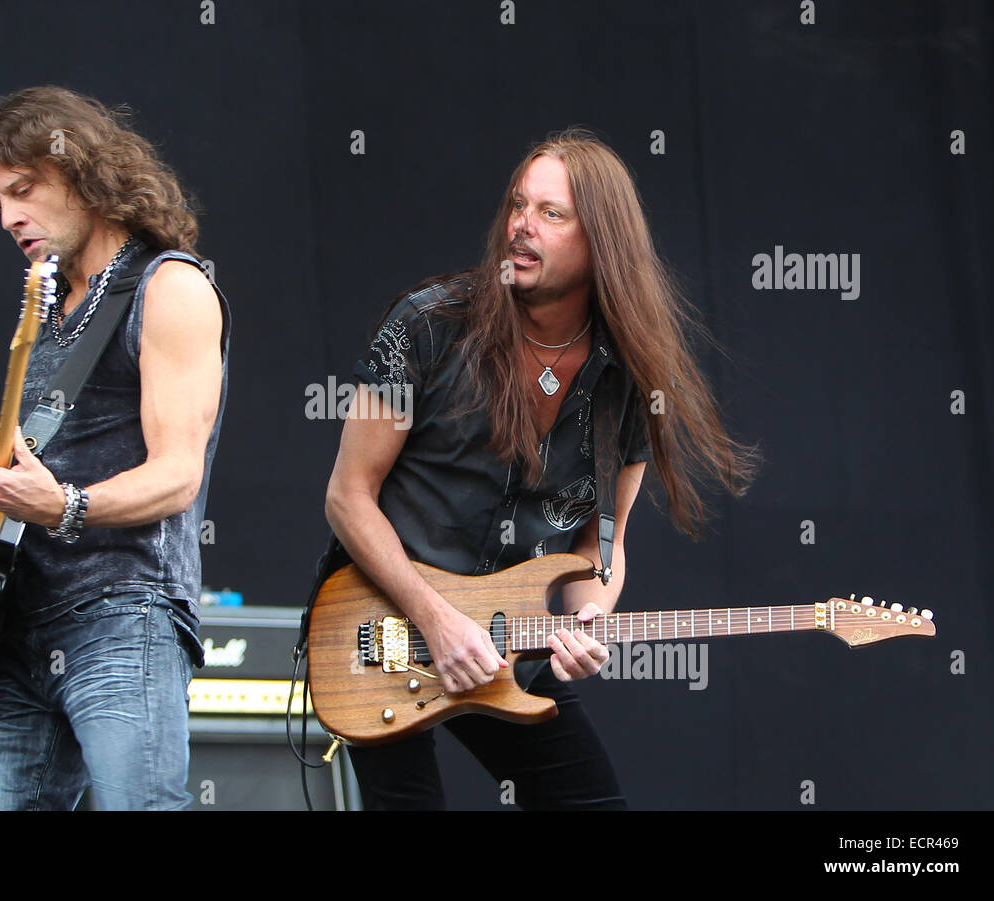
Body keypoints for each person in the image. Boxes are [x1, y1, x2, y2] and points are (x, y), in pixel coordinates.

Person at [323, 128, 758, 810]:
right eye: (517, 205)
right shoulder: (428, 328)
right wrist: (435, 619)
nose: (521, 225)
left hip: (506, 639)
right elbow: (348, 498)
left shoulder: (630, 382)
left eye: (551, 213)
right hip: (381, 626)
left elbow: (599, 547)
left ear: (602, 243)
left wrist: (588, 624)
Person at [0, 86, 229, 810]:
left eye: (23, 190)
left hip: (122, 614)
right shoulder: (46, 322)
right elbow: (22, 497)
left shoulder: (169, 287)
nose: (10, 217)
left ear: (82, 171)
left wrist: (66, 506)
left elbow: (176, 477)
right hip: (16, 632)